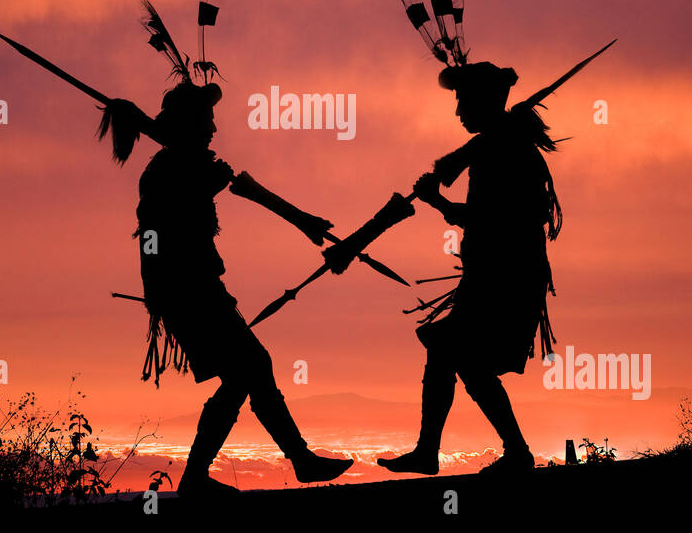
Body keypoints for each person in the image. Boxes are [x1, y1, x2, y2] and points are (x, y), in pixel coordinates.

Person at [110, 64, 352, 496]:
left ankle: (225, 473)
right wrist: (159, 289)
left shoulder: (188, 166)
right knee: (251, 367)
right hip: (188, 294)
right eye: (208, 119)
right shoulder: (169, 171)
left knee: (246, 373)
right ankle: (289, 462)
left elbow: (238, 187)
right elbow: (151, 234)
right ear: (193, 123)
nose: (215, 128)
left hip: (199, 290)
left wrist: (303, 221)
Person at [375, 60, 561, 476]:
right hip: (499, 278)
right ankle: (504, 452)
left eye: (463, 100)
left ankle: (448, 452)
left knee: (451, 351)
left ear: (482, 100)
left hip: (505, 281)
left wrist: (438, 203)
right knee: (463, 359)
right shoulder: (500, 146)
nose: (458, 112)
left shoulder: (506, 150)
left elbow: (496, 216)